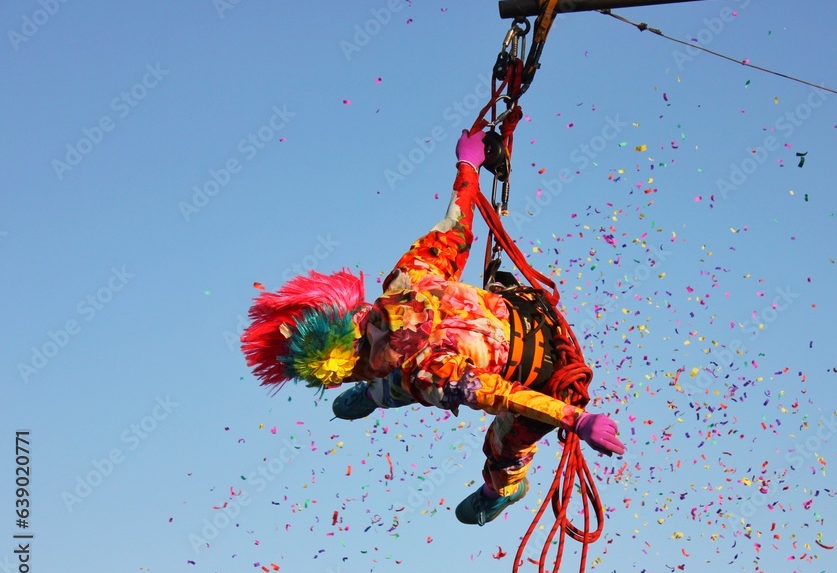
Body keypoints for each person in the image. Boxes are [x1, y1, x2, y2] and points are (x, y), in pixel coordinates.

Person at [241, 130, 625, 526]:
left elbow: (508, 395)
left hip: (544, 375)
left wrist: (575, 419)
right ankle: (376, 393)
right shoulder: (410, 278)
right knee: (399, 377)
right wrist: (468, 166)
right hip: (519, 319)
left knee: (501, 447)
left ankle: (502, 491)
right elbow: (456, 224)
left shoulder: (431, 372)